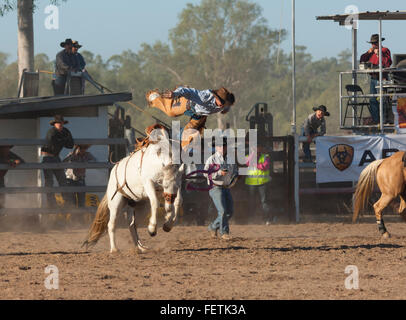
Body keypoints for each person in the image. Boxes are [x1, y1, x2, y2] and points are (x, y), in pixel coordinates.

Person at [146, 86, 235, 148]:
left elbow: (227, 106)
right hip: (188, 104)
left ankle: (178, 144)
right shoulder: (205, 96)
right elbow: (189, 91)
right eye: (222, 104)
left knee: (188, 135)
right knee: (170, 112)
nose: (222, 107)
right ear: (217, 98)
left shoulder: (222, 105)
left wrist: (226, 108)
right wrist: (175, 93)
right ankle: (155, 98)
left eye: (225, 105)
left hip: (200, 115)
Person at [204, 138, 238, 240]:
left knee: (230, 212)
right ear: (216, 147)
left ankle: (212, 227)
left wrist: (235, 175)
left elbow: (235, 170)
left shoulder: (230, 158)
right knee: (223, 211)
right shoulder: (212, 159)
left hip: (226, 187)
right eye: (219, 146)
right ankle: (224, 232)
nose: (222, 148)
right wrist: (219, 173)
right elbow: (206, 173)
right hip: (215, 187)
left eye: (224, 146)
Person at [41, 115, 74, 208]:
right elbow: (52, 141)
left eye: (61, 123)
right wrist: (64, 140)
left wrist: (63, 140)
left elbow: (70, 144)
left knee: (62, 180)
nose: (60, 124)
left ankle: (67, 203)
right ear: (54, 124)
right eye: (58, 123)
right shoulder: (51, 132)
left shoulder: (65, 131)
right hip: (47, 157)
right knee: (49, 182)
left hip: (55, 157)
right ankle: (51, 204)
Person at [360, 34, 392, 124]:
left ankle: (383, 119)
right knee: (373, 100)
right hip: (373, 78)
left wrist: (379, 54)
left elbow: (387, 63)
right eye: (372, 43)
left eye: (374, 43)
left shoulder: (385, 50)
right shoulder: (371, 52)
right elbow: (362, 60)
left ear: (379, 43)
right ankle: (376, 120)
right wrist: (368, 53)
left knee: (382, 99)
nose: (373, 45)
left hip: (382, 78)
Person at [245, 144, 272, 224]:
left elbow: (265, 166)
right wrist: (253, 154)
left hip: (262, 182)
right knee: (251, 201)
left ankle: (267, 219)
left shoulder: (265, 156)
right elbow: (247, 162)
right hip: (251, 183)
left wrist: (256, 165)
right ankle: (251, 219)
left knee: (264, 201)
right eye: (254, 147)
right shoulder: (248, 156)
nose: (256, 149)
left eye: (258, 147)